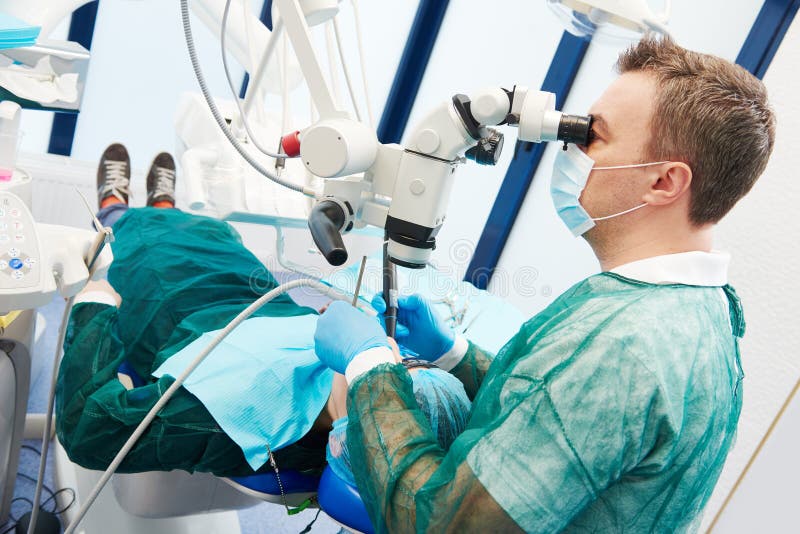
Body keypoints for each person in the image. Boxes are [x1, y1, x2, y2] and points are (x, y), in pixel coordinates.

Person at [312, 36, 776, 532]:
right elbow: (555, 411)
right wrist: (453, 354)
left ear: (664, 182)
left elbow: (444, 525)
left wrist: (368, 365)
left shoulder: (623, 346)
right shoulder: (690, 309)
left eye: (590, 136)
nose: (568, 149)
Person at [56, 143, 472, 480]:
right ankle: (165, 204)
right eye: (410, 360)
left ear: (358, 425)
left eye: (385, 373)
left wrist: (96, 301)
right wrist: (451, 351)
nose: (392, 353)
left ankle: (114, 205)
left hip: (179, 309)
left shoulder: (235, 420)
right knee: (215, 236)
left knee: (145, 242)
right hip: (251, 298)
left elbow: (87, 428)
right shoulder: (350, 378)